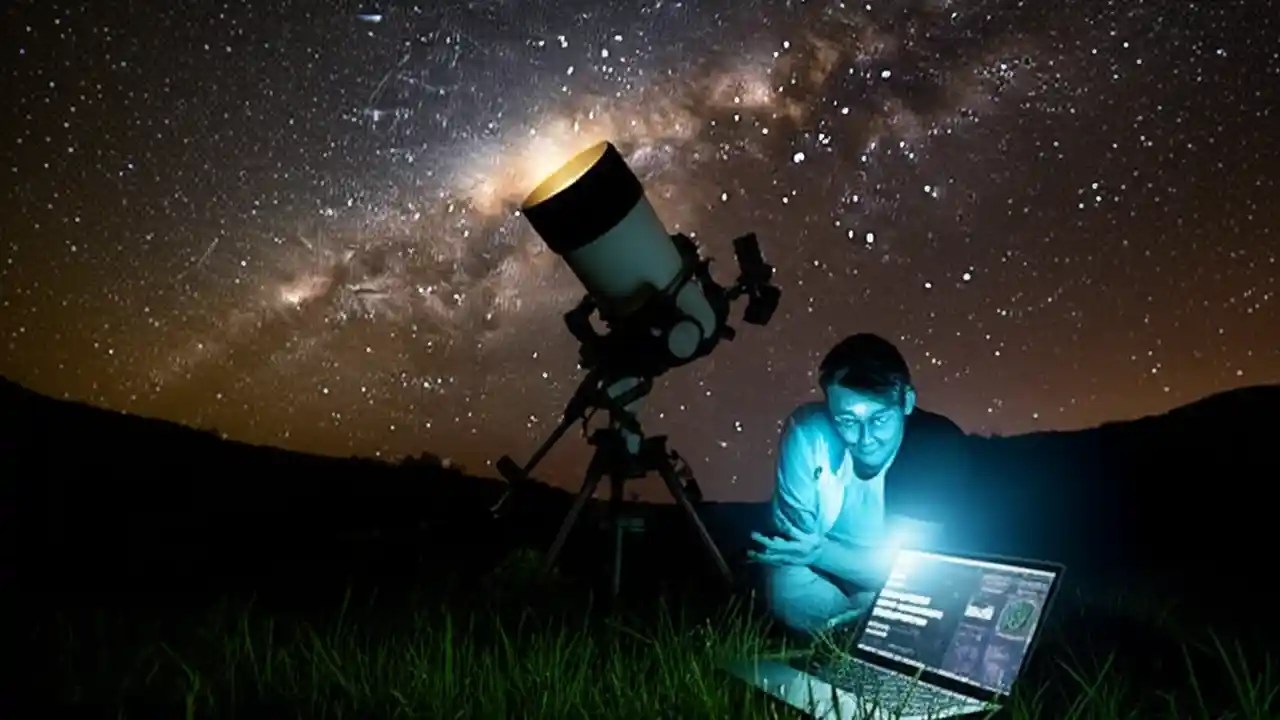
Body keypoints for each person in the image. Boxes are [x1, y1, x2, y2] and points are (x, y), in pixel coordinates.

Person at [748, 333, 968, 639]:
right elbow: (794, 544)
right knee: (786, 581)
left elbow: (912, 574)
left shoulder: (935, 445)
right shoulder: (808, 433)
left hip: (897, 580)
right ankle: (858, 633)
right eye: (847, 420)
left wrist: (820, 553)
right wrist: (815, 558)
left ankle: (854, 634)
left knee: (918, 595)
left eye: (879, 419)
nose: (865, 439)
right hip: (820, 575)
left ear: (907, 401)